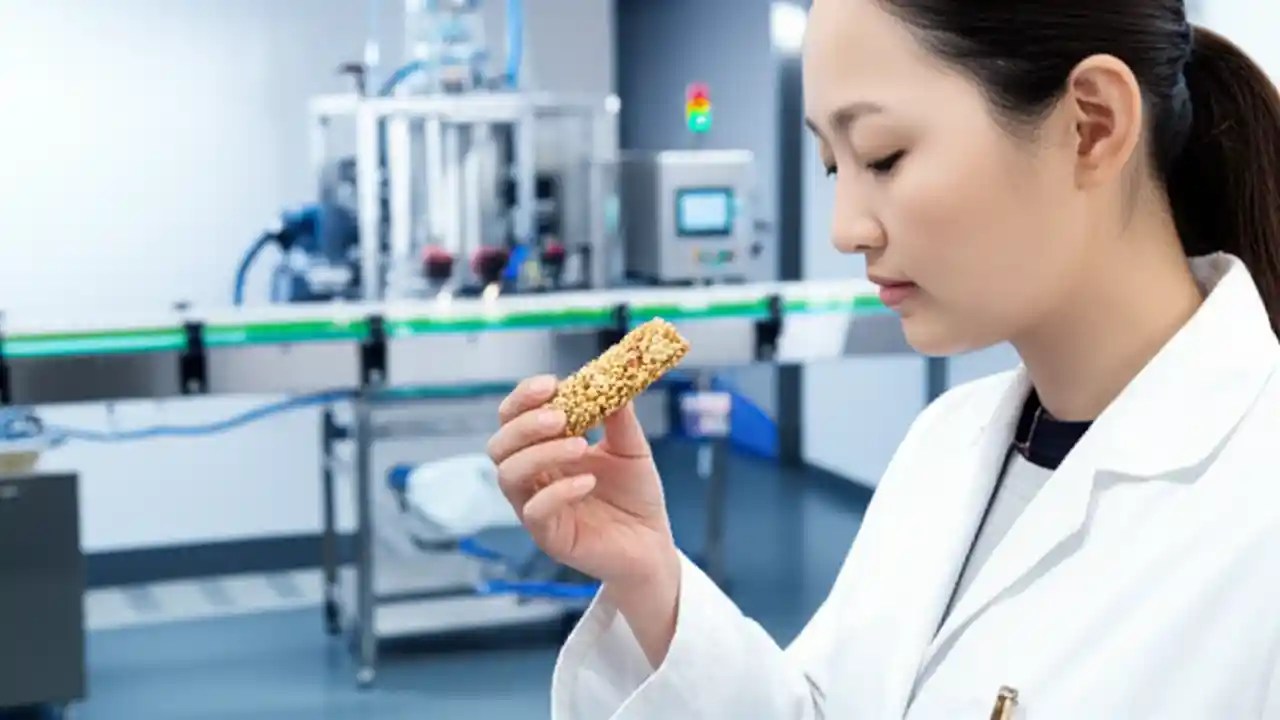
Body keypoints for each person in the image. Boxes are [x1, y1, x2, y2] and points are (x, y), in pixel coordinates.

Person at [486, 1, 1280, 716]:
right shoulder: (947, 442)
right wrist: (650, 579)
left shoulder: (1256, 510)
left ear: (1092, 125)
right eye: (835, 167)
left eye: (884, 155)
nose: (845, 229)